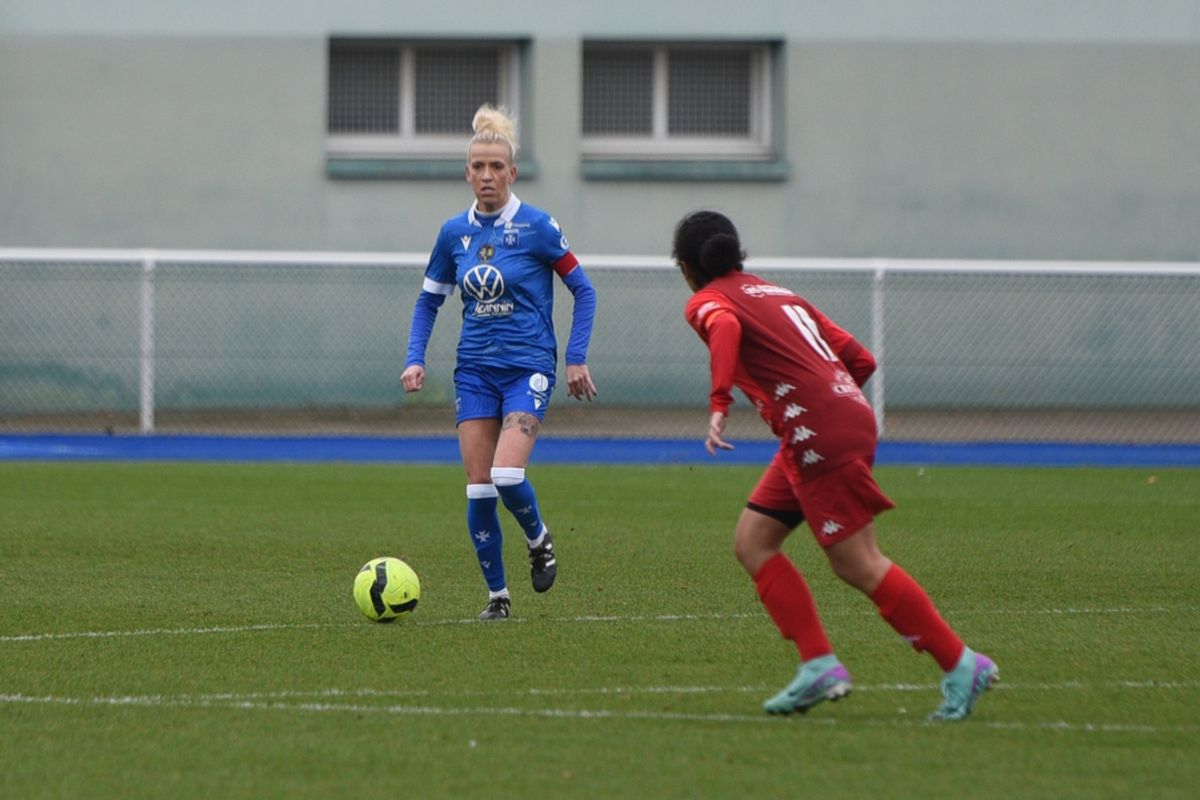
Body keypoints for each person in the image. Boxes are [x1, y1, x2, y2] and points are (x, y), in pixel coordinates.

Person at [673, 210, 997, 721]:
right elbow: (860, 360)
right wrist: (832, 403)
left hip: (817, 433)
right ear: (739, 255)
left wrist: (719, 403)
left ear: (686, 267)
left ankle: (960, 664)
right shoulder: (781, 295)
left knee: (857, 562)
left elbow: (727, 327)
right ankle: (818, 664)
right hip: (832, 424)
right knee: (753, 541)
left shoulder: (707, 301)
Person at [402, 104, 598, 621]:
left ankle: (539, 539)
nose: (487, 176)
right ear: (466, 173)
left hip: (528, 365)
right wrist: (414, 358)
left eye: (496, 167)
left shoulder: (538, 227)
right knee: (479, 486)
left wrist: (575, 358)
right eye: (478, 167)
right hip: (475, 371)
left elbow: (584, 290)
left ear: (512, 172)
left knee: (507, 474)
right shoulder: (452, 234)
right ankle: (497, 598)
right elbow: (428, 301)